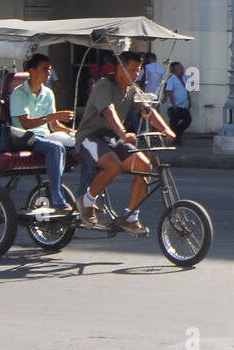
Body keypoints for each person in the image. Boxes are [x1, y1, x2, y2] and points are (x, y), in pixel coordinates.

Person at [74, 51, 174, 234]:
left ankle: (131, 218)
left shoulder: (132, 89)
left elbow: (148, 110)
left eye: (139, 70)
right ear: (120, 69)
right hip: (91, 136)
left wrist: (166, 129)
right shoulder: (104, 85)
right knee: (113, 166)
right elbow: (109, 112)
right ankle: (86, 201)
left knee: (144, 166)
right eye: (133, 70)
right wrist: (122, 133)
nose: (136, 74)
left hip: (112, 138)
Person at [11, 53, 76, 214]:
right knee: (55, 147)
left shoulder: (47, 93)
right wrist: (53, 116)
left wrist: (72, 132)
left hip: (45, 135)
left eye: (49, 69)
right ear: (32, 71)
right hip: (25, 137)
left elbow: (54, 126)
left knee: (83, 145)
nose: (49, 73)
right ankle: (57, 199)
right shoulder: (19, 93)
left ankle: (86, 197)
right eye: (45, 69)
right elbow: (26, 124)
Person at [164, 62, 192, 136]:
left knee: (187, 120)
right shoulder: (172, 79)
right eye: (180, 68)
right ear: (175, 70)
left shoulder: (184, 78)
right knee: (174, 122)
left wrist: (189, 99)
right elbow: (169, 91)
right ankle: (175, 139)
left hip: (183, 104)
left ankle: (177, 133)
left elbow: (186, 89)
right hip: (175, 105)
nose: (182, 70)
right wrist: (173, 104)